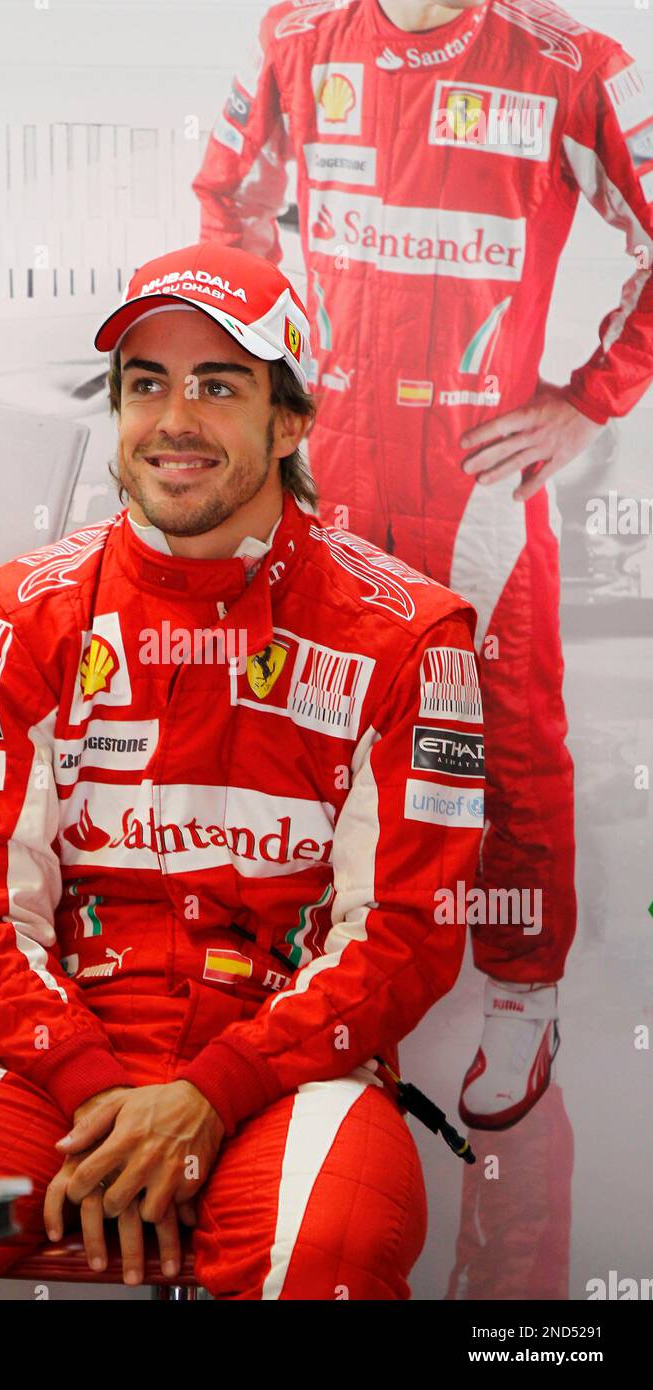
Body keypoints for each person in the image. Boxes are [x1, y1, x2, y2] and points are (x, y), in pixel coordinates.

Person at [0, 243, 485, 1301]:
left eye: (217, 385)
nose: (173, 419)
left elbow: (404, 934)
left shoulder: (412, 635)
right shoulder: (19, 614)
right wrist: (96, 1089)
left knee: (321, 1266)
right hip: (53, 1077)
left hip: (288, 1083)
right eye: (145, 385)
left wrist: (209, 1093)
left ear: (287, 421)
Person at [193, 0, 653, 1129]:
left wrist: (589, 402)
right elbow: (226, 210)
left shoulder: (572, 62)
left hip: (477, 470)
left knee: (507, 731)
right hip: (326, 460)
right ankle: (309, 979)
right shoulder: (291, 38)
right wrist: (253, 374)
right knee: (299, 720)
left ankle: (520, 987)